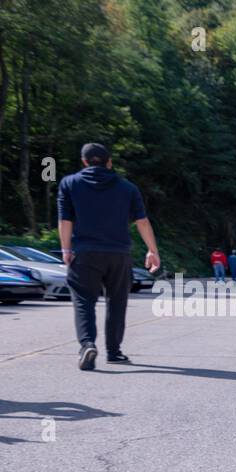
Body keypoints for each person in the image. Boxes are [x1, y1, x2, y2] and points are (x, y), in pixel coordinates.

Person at [58, 142, 160, 371]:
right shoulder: (127, 187)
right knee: (117, 302)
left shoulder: (70, 183)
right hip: (119, 254)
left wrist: (66, 250)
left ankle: (87, 345)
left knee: (83, 301)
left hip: (84, 253)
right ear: (109, 162)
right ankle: (114, 352)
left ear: (84, 162)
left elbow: (65, 220)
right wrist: (152, 250)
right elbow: (142, 221)